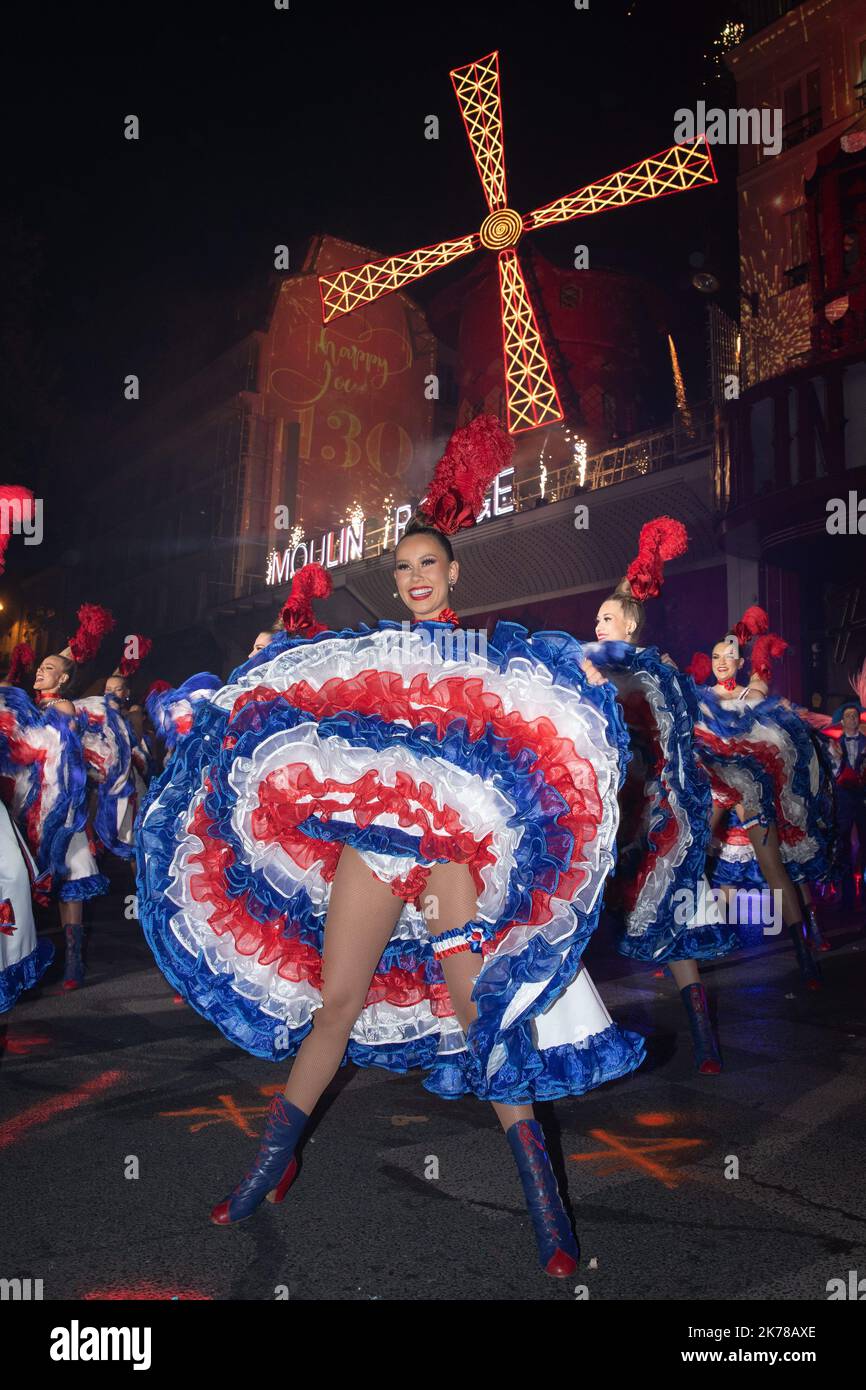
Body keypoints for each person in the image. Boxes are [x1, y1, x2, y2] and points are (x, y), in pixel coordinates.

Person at [137, 415, 646, 1279]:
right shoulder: (360, 650)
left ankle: (545, 1205)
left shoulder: (484, 657)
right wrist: (215, 707)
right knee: (334, 1003)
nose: (412, 577)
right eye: (403, 566)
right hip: (371, 848)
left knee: (481, 1015)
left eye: (427, 565)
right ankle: (271, 1161)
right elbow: (287, 705)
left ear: (454, 571)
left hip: (448, 858)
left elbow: (535, 740)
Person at [581, 519, 736, 1074]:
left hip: (649, 815)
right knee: (587, 924)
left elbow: (667, 746)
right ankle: (581, 1038)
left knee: (676, 924)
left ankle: (703, 1037)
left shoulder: (642, 671)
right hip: (613, 815)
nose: (595, 625)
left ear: (628, 623)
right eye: (596, 619)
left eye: (604, 618)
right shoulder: (606, 670)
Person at [690, 612, 829, 990]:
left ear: (738, 662)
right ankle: (684, 948)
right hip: (717, 789)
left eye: (727, 656)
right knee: (688, 861)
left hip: (750, 790)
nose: (721, 662)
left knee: (774, 870)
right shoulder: (699, 700)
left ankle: (804, 954)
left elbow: (770, 726)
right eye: (715, 656)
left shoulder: (752, 694)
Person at [831, 681, 866, 913]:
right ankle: (845, 896)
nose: (852, 719)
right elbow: (833, 775)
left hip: (863, 800)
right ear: (842, 722)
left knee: (864, 845)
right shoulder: (834, 745)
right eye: (848, 716)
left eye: (855, 715)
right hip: (843, 801)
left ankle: (863, 890)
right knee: (843, 846)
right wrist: (837, 760)